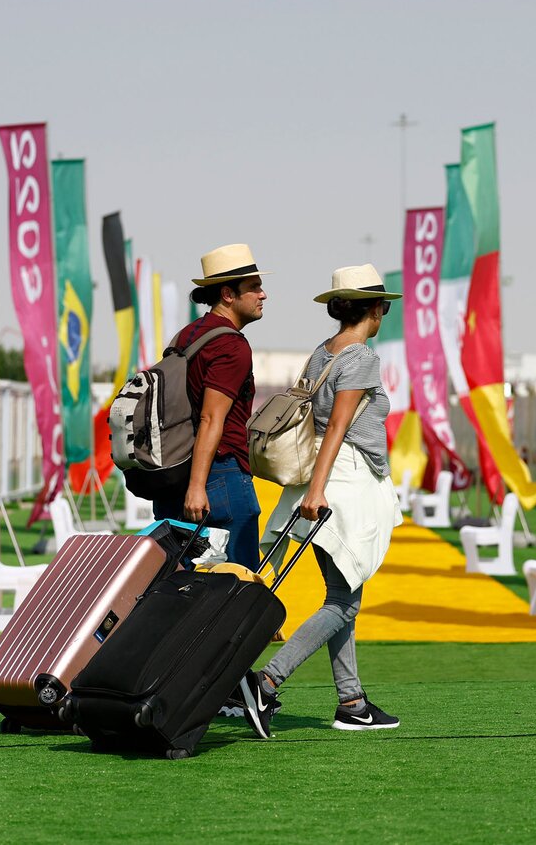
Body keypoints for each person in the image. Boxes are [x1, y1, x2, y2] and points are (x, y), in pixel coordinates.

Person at [238, 265, 405, 738]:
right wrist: (318, 491)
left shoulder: (322, 353)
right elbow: (337, 427)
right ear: (374, 309)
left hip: (319, 479)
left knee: (341, 594)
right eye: (383, 306)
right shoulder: (361, 357)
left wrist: (312, 486)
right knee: (344, 603)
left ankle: (351, 701)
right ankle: (267, 682)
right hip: (341, 482)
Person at [151, 243, 266, 568]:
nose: (263, 294)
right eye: (254, 287)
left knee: (182, 591)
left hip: (175, 474)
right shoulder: (231, 345)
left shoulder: (186, 336)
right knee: (238, 590)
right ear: (228, 294)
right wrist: (198, 488)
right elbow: (211, 417)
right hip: (218, 476)